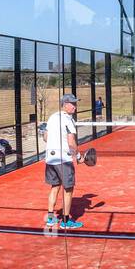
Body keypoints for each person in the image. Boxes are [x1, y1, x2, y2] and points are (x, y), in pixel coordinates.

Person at [43, 93, 83, 230]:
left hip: (50, 159)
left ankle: (50, 219)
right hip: (63, 160)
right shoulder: (68, 119)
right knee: (68, 189)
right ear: (65, 105)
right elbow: (71, 142)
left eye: (76, 104)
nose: (75, 107)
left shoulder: (52, 117)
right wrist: (78, 156)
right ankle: (66, 221)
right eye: (73, 104)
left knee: (54, 187)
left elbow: (45, 137)